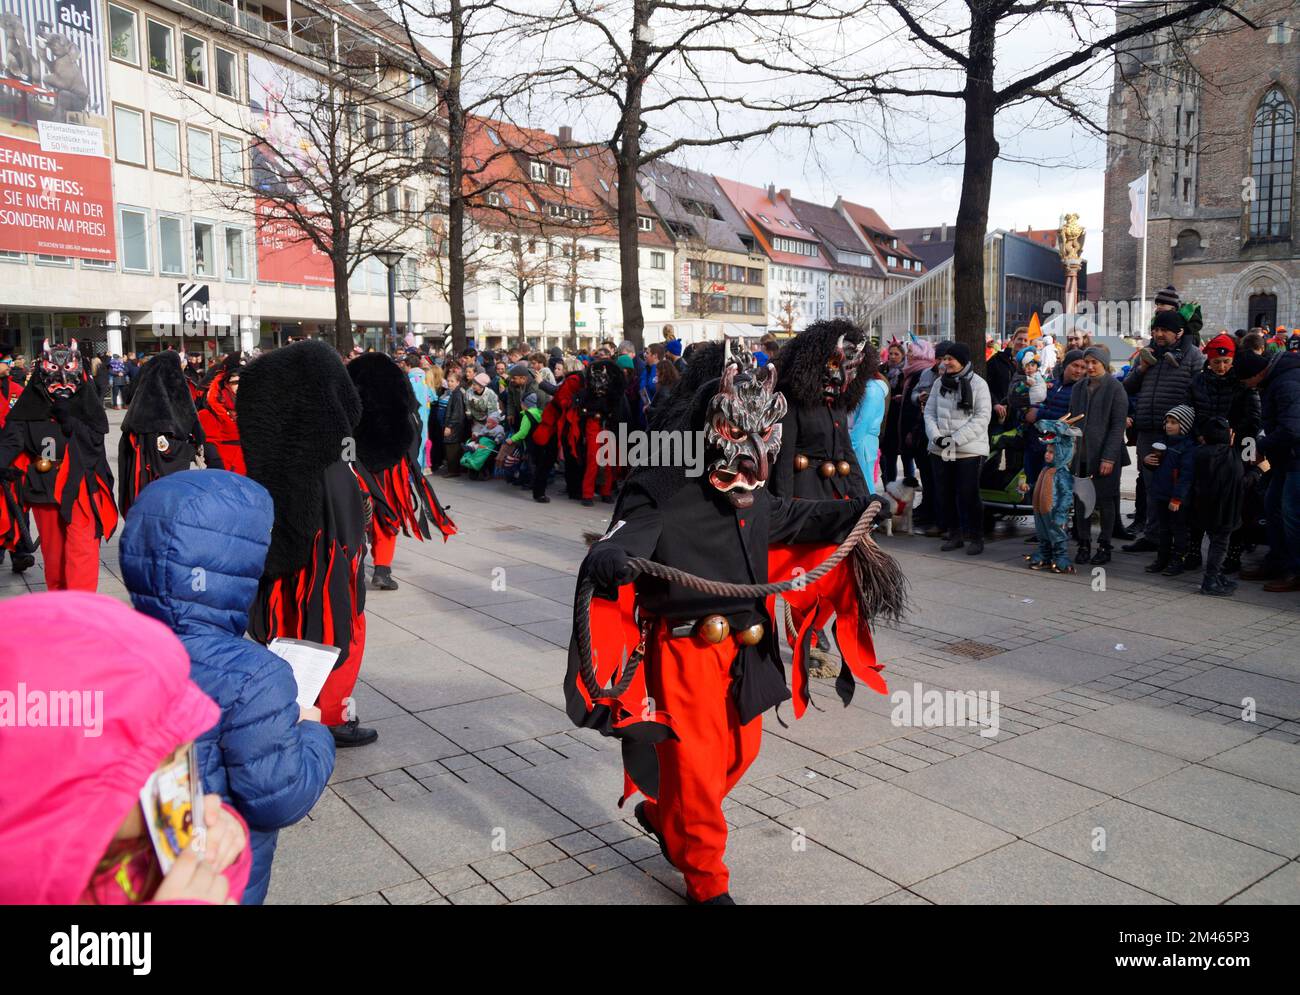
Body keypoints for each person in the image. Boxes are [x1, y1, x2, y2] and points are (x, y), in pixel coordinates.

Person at [566, 341, 898, 905]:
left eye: (760, 443)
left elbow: (793, 518)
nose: (751, 462)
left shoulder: (758, 494)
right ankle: (706, 880)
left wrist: (859, 508)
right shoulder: (663, 489)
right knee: (697, 769)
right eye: (738, 442)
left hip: (748, 651)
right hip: (685, 653)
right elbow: (626, 534)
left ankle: (666, 817)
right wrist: (608, 557)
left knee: (739, 755)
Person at [119, 470, 335, 903]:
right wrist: (313, 731)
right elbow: (279, 798)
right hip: (219, 876)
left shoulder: (114, 647)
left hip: (134, 869)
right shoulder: (256, 675)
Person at [0, 591, 251, 904]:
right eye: (170, 761)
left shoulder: (130, 842)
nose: (186, 788)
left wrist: (224, 838)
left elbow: (212, 882)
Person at [239, 340, 376, 748]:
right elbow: (349, 538)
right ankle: (329, 715)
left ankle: (285, 707)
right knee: (334, 623)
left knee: (286, 622)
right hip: (325, 559)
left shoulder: (272, 454)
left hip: (284, 560)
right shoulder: (332, 461)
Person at [0, 339, 116, 591]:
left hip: (82, 487)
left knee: (82, 549)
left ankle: (82, 609)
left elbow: (96, 438)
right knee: (54, 555)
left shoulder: (85, 401)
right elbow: (12, 439)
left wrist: (70, 421)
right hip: (44, 487)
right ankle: (60, 608)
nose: (62, 381)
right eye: (54, 372)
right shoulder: (29, 403)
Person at [349, 353, 456, 592]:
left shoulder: (351, 380)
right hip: (391, 463)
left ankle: (353, 567)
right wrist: (409, 459)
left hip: (357, 462)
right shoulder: (399, 384)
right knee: (388, 512)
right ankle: (382, 570)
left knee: (353, 515)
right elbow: (413, 425)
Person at [1122, 309, 1204, 553]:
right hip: (1148, 429)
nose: (1158, 334)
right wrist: (1142, 369)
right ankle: (1153, 535)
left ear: (1178, 332)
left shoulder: (1193, 356)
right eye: (1155, 329)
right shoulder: (1146, 355)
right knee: (1151, 486)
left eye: (1163, 330)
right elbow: (1128, 387)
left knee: (1175, 486)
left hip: (1175, 435)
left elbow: (1199, 394)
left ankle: (1177, 540)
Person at [770, 319, 871, 502]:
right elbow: (783, 461)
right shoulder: (790, 400)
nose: (839, 377)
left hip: (838, 492)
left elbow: (847, 452)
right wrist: (784, 510)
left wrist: (864, 500)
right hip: (804, 497)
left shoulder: (837, 404)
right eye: (833, 364)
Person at [1233, 346, 1300, 591]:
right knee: (1272, 506)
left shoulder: (1287, 383)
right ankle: (1278, 561)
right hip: (1286, 458)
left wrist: (1261, 446)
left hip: (1296, 459)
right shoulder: (1276, 379)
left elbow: (1293, 428)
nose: (1247, 386)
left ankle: (1295, 569)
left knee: (1292, 513)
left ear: (1257, 374)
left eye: (1246, 381)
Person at [924, 341, 992, 554]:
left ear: (962, 360)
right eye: (944, 359)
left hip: (968, 448)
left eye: (950, 359)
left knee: (968, 493)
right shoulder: (938, 384)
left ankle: (976, 536)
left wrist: (956, 439)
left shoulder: (979, 385)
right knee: (945, 493)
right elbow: (929, 412)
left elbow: (982, 418)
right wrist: (936, 437)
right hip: (941, 447)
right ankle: (955, 534)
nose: (946, 363)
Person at [118, 350, 203, 516]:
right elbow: (165, 451)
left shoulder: (139, 413)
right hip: (158, 492)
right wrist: (191, 451)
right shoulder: (159, 420)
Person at [1068, 346, 1129, 564]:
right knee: (1082, 500)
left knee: (1105, 501)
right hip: (1082, 454)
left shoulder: (1115, 389)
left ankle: (1105, 545)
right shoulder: (1078, 388)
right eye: (1088, 363)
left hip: (1105, 454)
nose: (1090, 367)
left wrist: (1109, 457)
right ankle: (1083, 543)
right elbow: (1072, 419)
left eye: (1095, 363)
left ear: (1104, 364)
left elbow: (1117, 426)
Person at [1192, 418, 1245, 597]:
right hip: (1225, 511)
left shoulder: (1199, 453)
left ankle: (1217, 575)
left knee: (1215, 540)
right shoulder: (1230, 456)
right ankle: (1210, 580)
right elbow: (1241, 483)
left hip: (1205, 508)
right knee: (1220, 544)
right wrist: (1259, 471)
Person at [1144, 404, 1197, 576]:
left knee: (1179, 528)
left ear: (1185, 425)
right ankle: (1162, 558)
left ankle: (1178, 559)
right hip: (1160, 493)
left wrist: (1177, 498)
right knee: (1164, 528)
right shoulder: (1162, 442)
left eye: (1174, 422)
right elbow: (1156, 467)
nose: (1169, 425)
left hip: (1176, 498)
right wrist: (1147, 462)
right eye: (1167, 421)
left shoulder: (1188, 447)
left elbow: (1186, 476)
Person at [900, 339, 938, 532]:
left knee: (932, 474)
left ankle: (932, 511)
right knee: (925, 472)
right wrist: (916, 397)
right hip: (918, 430)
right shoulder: (919, 372)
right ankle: (926, 507)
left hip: (926, 429)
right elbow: (914, 396)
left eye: (911, 352)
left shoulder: (921, 371)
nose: (909, 356)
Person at [198, 354, 246, 474]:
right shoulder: (211, 412)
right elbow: (210, 443)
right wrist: (219, 469)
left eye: (242, 381)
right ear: (226, 384)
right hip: (228, 469)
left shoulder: (252, 406)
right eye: (235, 382)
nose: (240, 386)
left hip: (251, 466)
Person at [849, 353, 889, 494]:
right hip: (859, 440)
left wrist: (849, 445)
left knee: (865, 485)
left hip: (862, 442)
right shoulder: (863, 387)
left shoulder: (871, 390)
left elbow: (863, 422)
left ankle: (872, 514)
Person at [986, 326, 1029, 423]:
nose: (1022, 343)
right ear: (1013, 340)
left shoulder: (1031, 365)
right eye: (1020, 339)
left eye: (1026, 340)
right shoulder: (997, 360)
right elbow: (985, 385)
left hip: (1020, 416)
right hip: (999, 413)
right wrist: (995, 403)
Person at [406, 354, 431, 471]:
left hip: (415, 416)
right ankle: (420, 468)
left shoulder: (411, 381)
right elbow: (432, 396)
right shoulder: (424, 379)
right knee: (422, 441)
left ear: (409, 366)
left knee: (415, 443)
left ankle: (415, 470)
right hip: (424, 415)